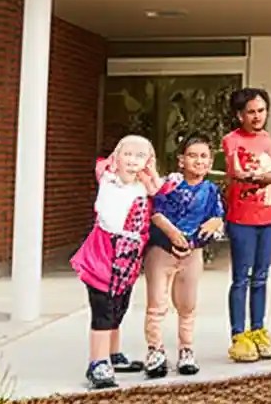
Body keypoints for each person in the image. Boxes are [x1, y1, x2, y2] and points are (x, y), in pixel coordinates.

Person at [71, 135, 160, 389]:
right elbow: (103, 169)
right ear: (116, 158)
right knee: (103, 309)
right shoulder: (110, 180)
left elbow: (161, 195)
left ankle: (112, 353)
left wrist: (151, 176)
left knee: (119, 306)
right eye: (127, 154)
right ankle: (97, 362)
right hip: (104, 255)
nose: (133, 161)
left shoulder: (144, 187)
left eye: (140, 156)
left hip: (128, 257)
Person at [142, 134, 225, 379]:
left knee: (187, 304)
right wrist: (173, 234)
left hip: (192, 253)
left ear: (210, 162)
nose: (198, 161)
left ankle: (186, 349)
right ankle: (155, 350)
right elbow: (156, 212)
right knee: (157, 303)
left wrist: (210, 226)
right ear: (181, 160)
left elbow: (217, 215)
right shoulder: (170, 185)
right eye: (192, 156)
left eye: (203, 157)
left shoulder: (210, 190)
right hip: (162, 251)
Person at [222, 88, 271, 363]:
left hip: (267, 216)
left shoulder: (267, 139)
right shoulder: (231, 139)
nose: (257, 116)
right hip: (241, 218)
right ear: (239, 114)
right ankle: (239, 335)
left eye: (261, 110)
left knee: (262, 276)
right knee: (242, 277)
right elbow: (236, 173)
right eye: (251, 112)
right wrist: (266, 177)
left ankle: (258, 329)